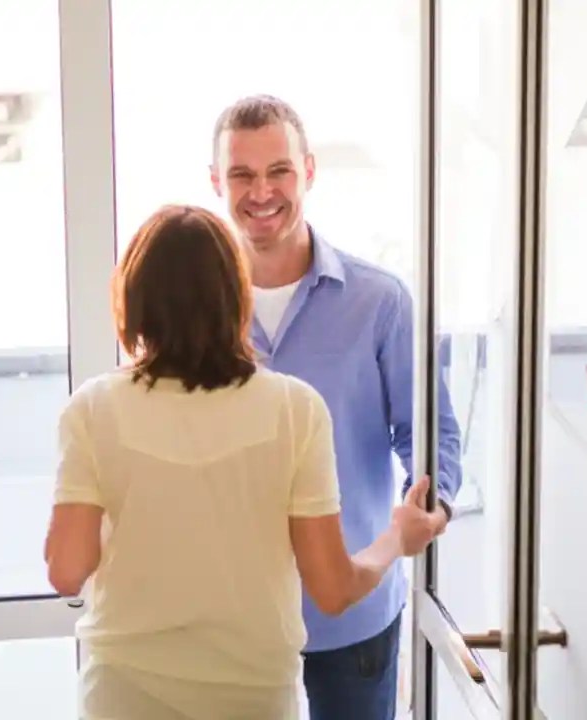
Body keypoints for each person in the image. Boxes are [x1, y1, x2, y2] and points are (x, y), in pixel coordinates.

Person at [44, 204, 442, 720]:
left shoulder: (93, 409)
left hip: (121, 695)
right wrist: (396, 540)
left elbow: (67, 571)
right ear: (235, 296)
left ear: (134, 298)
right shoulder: (294, 409)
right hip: (252, 699)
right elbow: (333, 589)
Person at [208, 95, 463, 719]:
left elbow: (430, 430)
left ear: (310, 172)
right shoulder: (195, 311)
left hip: (352, 607)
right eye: (241, 174)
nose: (261, 192)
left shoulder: (381, 301)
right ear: (216, 182)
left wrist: (433, 504)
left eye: (279, 172)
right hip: (230, 614)